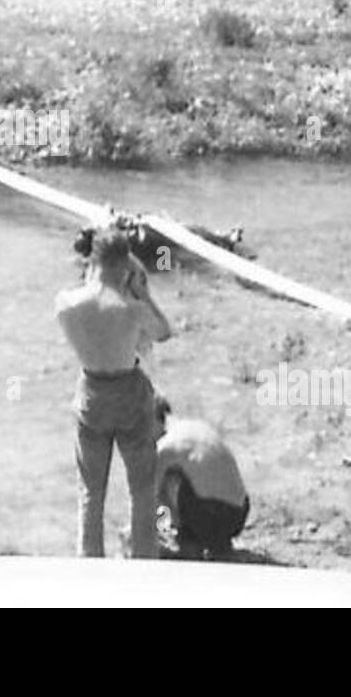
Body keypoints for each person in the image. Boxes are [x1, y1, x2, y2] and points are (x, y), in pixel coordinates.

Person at [55, 226, 172, 558]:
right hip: (129, 394)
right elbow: (164, 332)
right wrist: (141, 290)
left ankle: (90, 570)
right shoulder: (131, 308)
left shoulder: (66, 305)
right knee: (142, 491)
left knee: (90, 494)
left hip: (91, 392)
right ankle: (144, 564)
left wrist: (95, 275)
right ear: (126, 263)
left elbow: (88, 288)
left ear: (93, 261)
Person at [154, 396, 250, 562]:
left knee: (168, 481)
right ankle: (218, 544)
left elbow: (147, 495)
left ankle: (190, 544)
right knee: (183, 474)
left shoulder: (165, 446)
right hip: (239, 512)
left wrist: (142, 532)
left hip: (211, 513)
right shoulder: (195, 427)